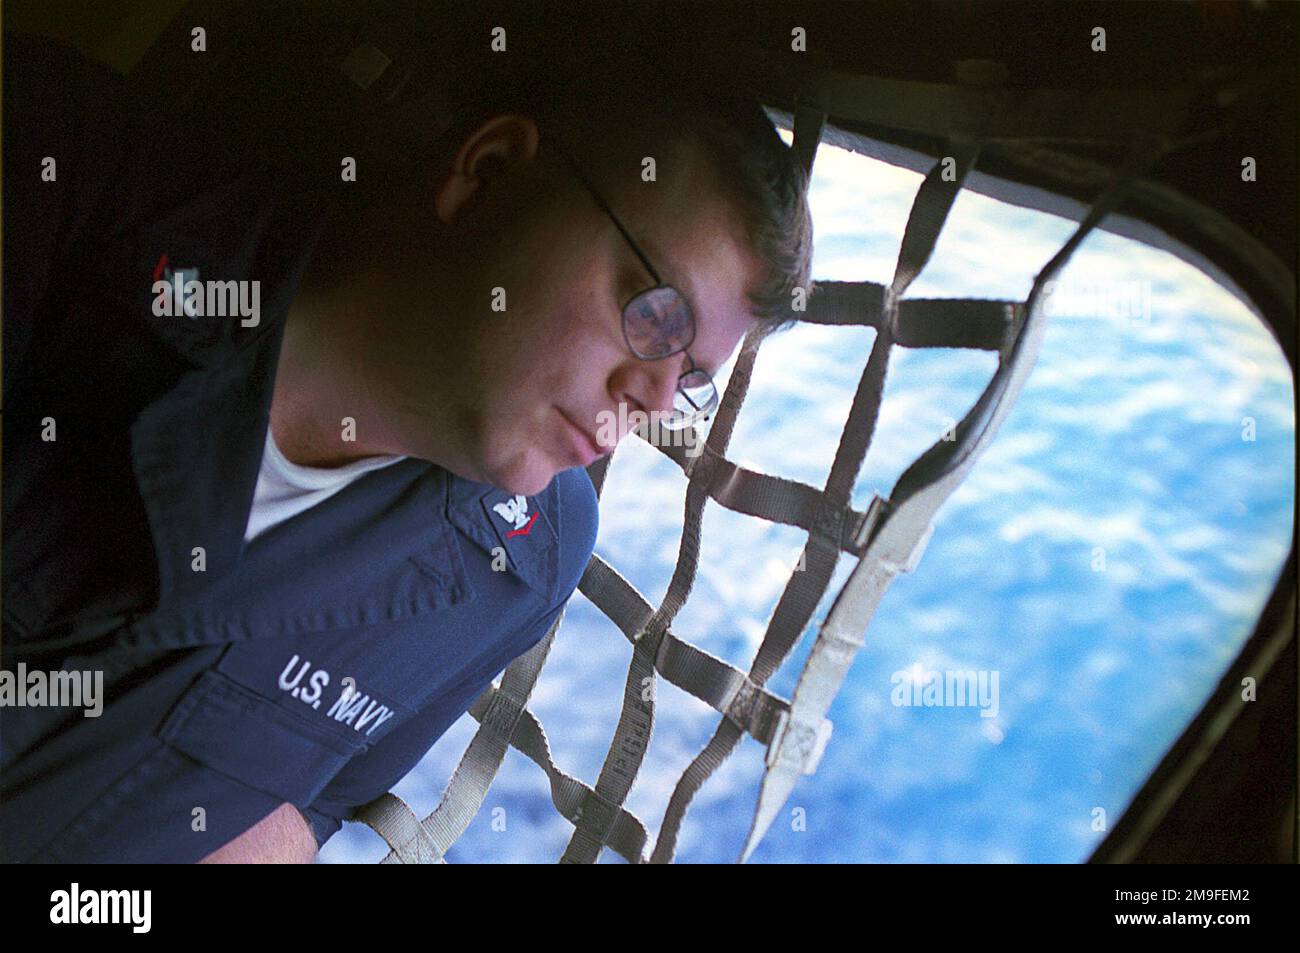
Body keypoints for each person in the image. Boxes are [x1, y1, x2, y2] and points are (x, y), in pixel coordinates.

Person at [0, 10, 813, 862]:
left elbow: (308, 803)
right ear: (488, 171)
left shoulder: (527, 562)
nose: (651, 395)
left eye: (691, 377)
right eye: (654, 313)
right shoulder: (61, 173)